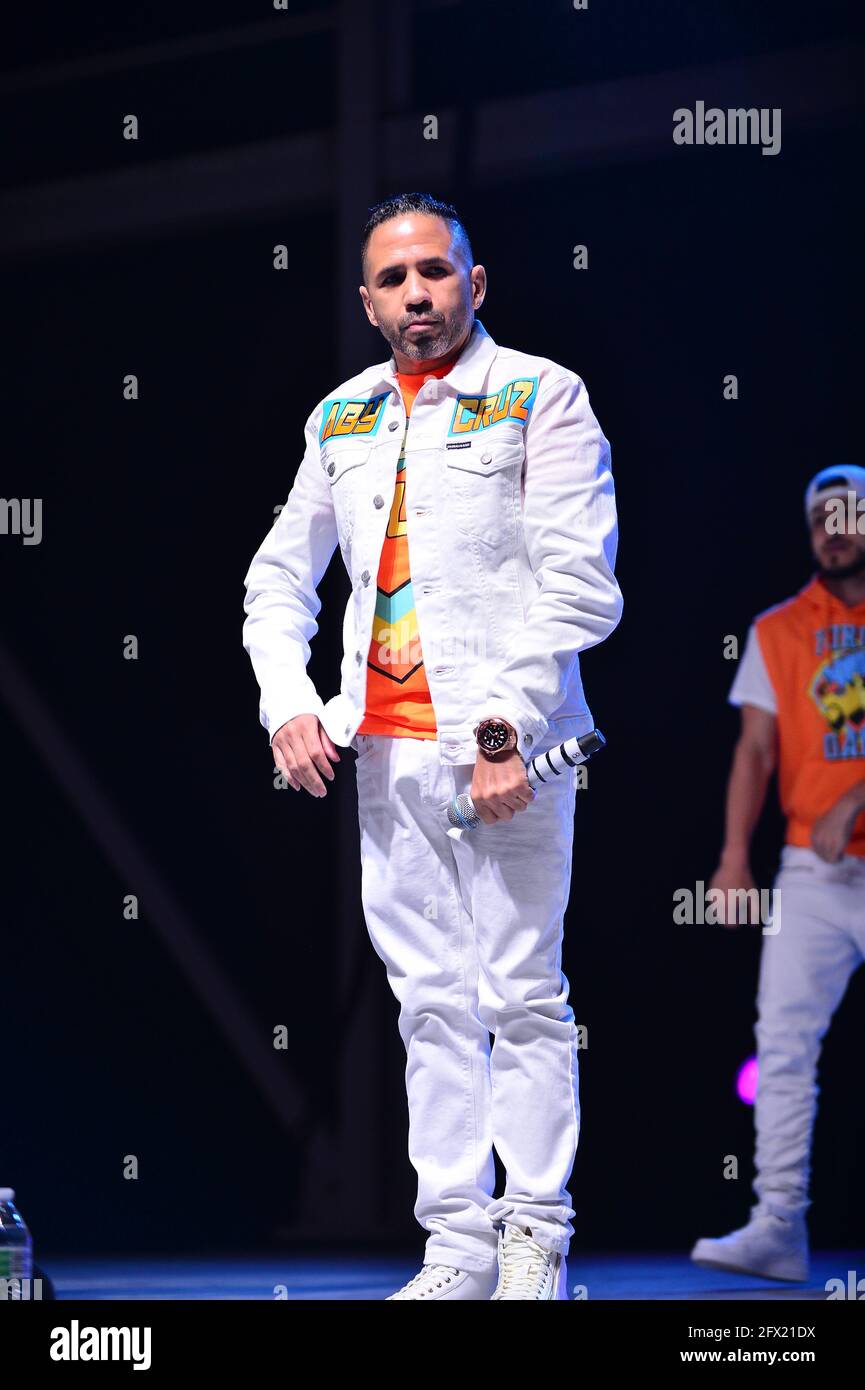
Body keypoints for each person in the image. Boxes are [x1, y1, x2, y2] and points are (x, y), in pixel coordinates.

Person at [242, 191, 623, 1299]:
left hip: (506, 751)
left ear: (476, 282)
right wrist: (287, 703)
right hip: (387, 752)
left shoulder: (537, 394)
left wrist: (502, 727)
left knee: (521, 994)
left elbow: (577, 585)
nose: (418, 293)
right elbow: (277, 577)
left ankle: (534, 1242)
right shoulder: (343, 416)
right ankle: (456, 1244)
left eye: (436, 272)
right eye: (394, 279)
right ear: (367, 301)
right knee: (431, 1004)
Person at [692, 464, 865, 1282]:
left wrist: (855, 797)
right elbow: (754, 750)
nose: (834, 530)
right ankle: (777, 1228)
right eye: (820, 519)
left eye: (848, 515)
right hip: (811, 872)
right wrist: (732, 858)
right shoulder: (777, 629)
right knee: (782, 1045)